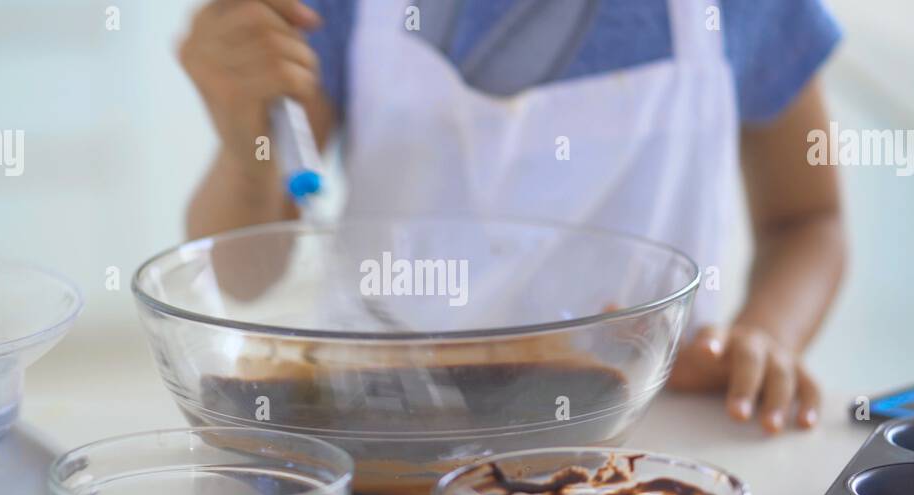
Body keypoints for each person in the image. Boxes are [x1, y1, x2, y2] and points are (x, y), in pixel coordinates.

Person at [178, 0, 847, 434]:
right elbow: (243, 271)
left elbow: (809, 220)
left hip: (648, 439)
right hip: (381, 428)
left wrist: (767, 335)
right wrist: (245, 146)